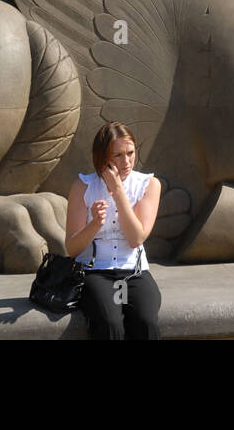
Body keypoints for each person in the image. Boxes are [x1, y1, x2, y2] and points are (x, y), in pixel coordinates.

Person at [63, 122, 163, 340]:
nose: (126, 161)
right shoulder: (83, 186)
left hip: (134, 271)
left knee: (146, 321)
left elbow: (136, 238)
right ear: (102, 157)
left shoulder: (149, 185)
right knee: (110, 324)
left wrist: (118, 191)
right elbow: (72, 249)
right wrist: (94, 225)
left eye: (130, 153)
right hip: (95, 271)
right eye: (117, 155)